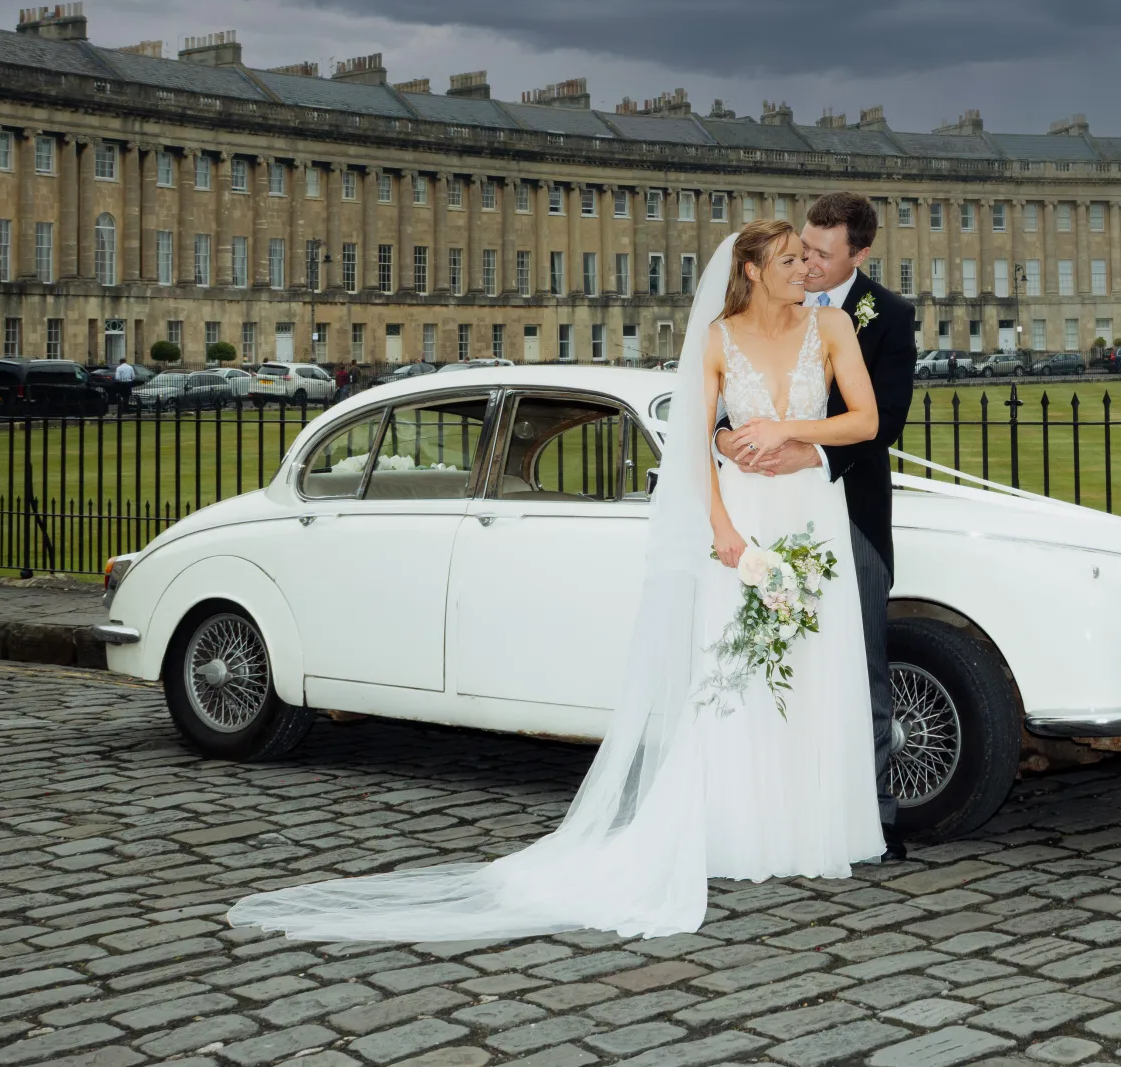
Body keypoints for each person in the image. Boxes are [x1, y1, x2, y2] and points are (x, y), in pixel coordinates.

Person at [228, 221, 885, 944]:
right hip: (743, 515)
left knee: (814, 667)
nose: (807, 269)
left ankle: (811, 828)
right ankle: (744, 828)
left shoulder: (832, 326)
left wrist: (789, 430)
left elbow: (865, 419)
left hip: (809, 508)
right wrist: (722, 529)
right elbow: (696, 443)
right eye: (791, 259)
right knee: (732, 675)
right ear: (754, 270)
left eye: (807, 258)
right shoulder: (717, 338)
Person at [716, 191, 917, 857]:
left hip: (846, 508)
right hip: (758, 501)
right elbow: (721, 407)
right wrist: (726, 439)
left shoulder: (886, 316)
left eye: (823, 255)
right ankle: (771, 804)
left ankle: (872, 815)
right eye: (802, 250)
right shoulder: (754, 315)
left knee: (858, 664)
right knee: (760, 653)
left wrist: (814, 450)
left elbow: (882, 420)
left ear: (860, 253)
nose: (809, 264)